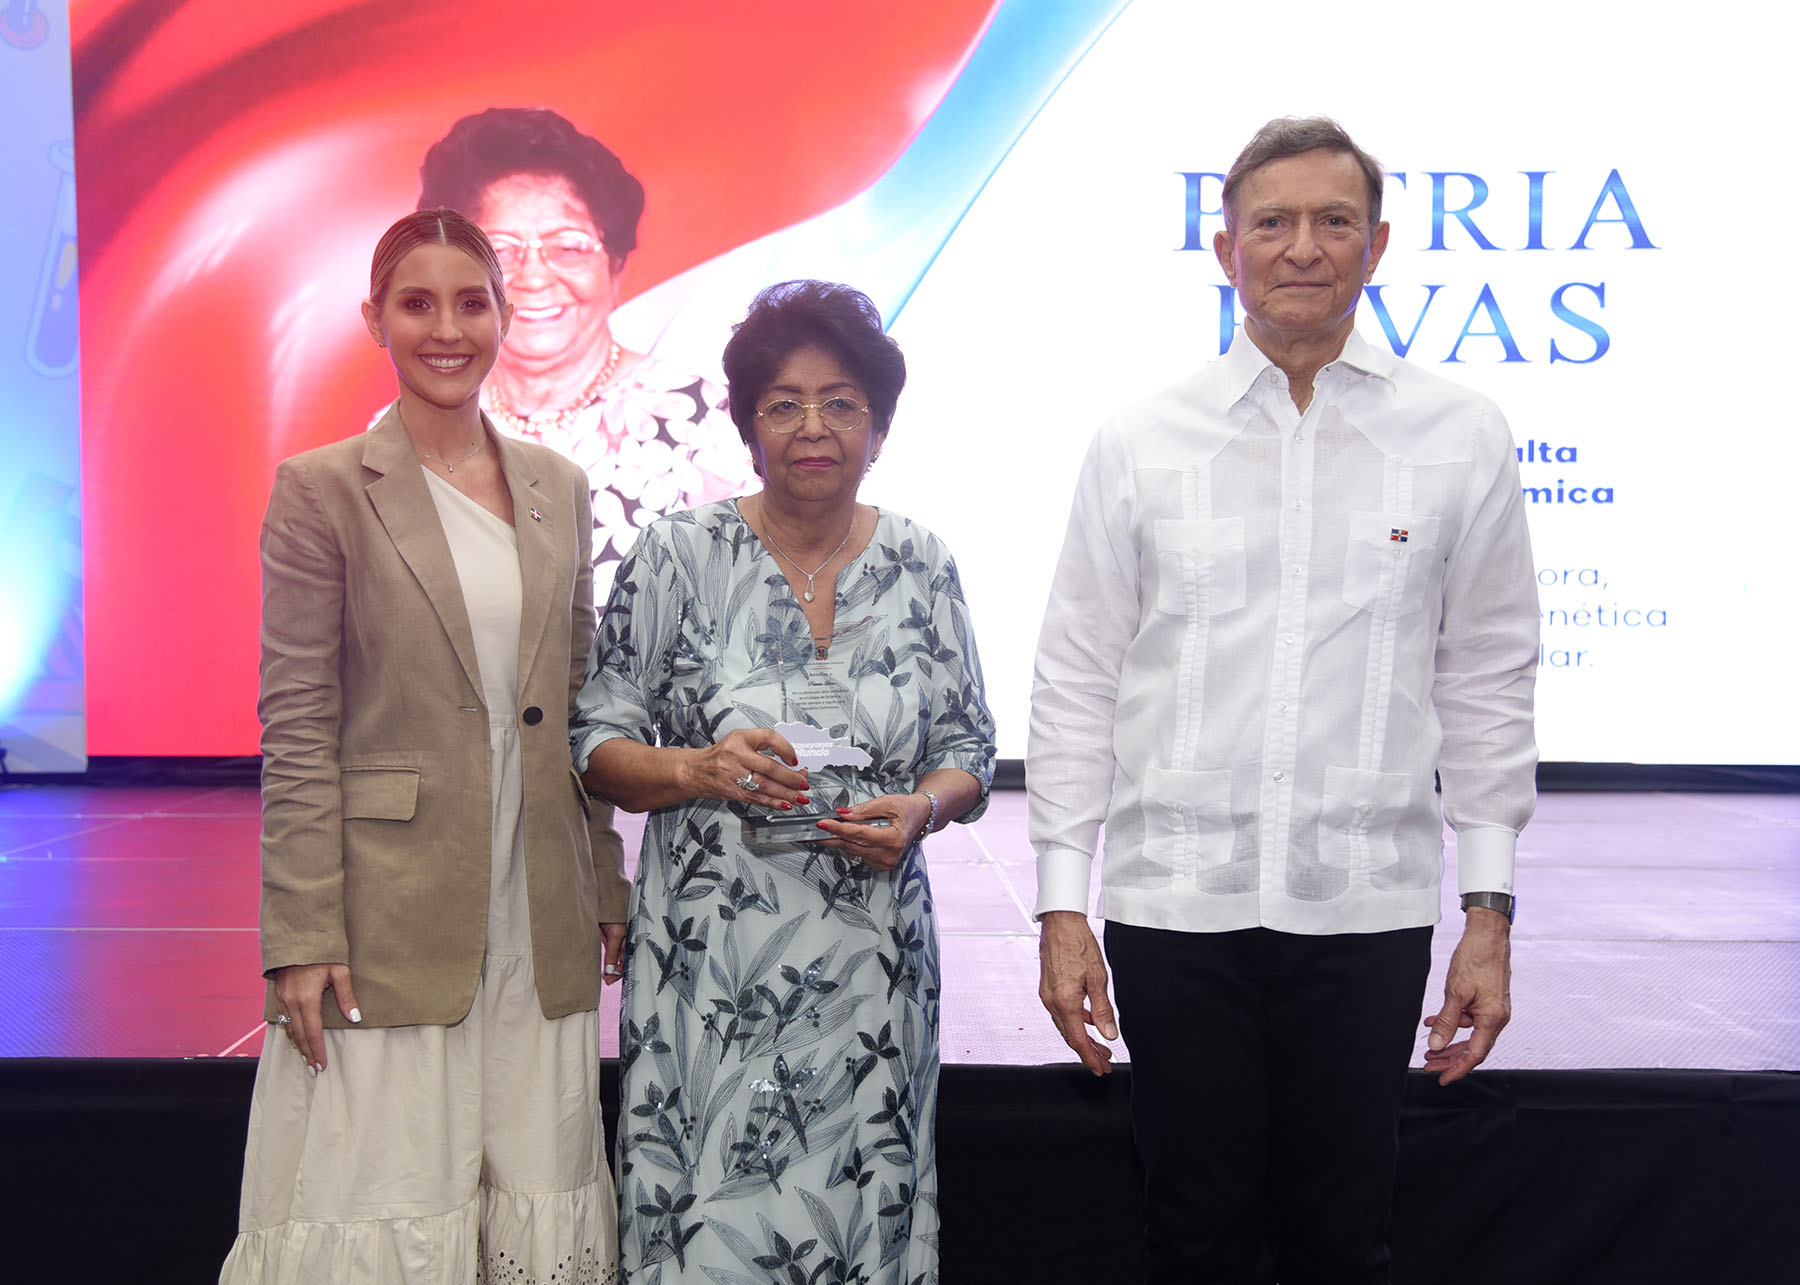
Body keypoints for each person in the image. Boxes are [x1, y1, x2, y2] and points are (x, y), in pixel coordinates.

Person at [1029, 117, 1538, 1282]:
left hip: (1365, 909)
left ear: (1378, 245)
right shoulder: (1142, 440)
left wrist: (1490, 911)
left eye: (1333, 221)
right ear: (1227, 251)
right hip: (1176, 909)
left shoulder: (1459, 436)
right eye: (1273, 222)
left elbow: (1490, 674)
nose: (1302, 246)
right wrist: (1064, 908)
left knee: (1341, 1241)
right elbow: (1076, 679)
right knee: (1191, 1236)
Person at [221, 209, 630, 1284]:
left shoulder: (560, 486)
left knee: (536, 1174)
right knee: (386, 1187)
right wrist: (301, 928)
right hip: (388, 907)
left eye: (470, 301)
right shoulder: (321, 489)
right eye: (418, 303)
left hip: (532, 892)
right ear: (374, 319)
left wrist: (605, 881)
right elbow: (298, 726)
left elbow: (577, 705)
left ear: (499, 315)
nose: (447, 329)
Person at [571, 279, 996, 1283]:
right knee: (704, 1215)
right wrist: (696, 766)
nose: (815, 426)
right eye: (785, 403)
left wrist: (925, 807)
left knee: (862, 1217)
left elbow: (969, 748)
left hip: (869, 968)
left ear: (879, 428)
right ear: (748, 425)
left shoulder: (921, 561)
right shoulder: (678, 555)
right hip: (707, 969)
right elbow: (596, 743)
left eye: (842, 401)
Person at [417, 107, 751, 569]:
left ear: (613, 265)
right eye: (500, 250)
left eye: (569, 246)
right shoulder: (408, 430)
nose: (533, 277)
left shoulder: (711, 425)